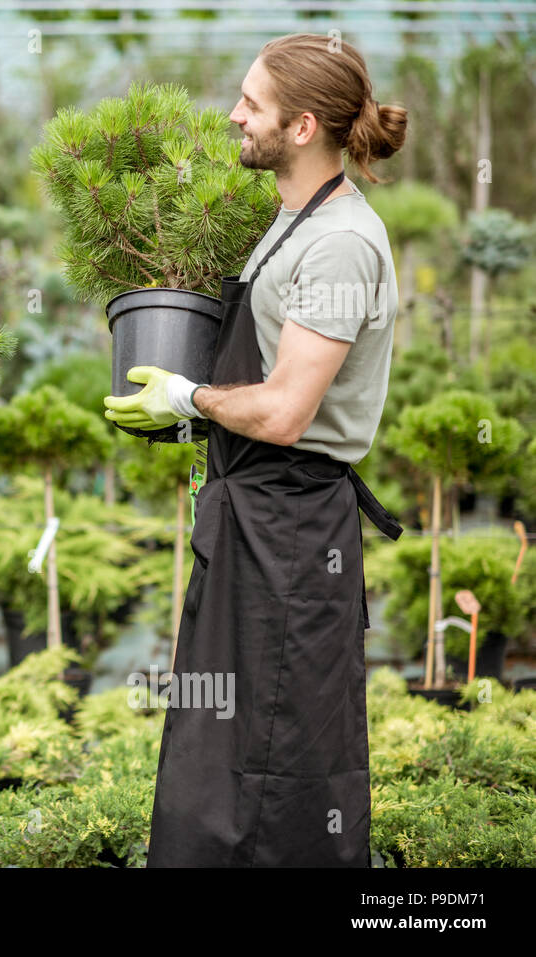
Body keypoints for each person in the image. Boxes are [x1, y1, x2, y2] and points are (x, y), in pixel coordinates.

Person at [104, 33, 408, 866]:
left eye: (252, 102)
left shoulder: (341, 242)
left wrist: (189, 396)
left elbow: (283, 411)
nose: (234, 114)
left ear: (304, 126)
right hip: (253, 518)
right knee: (221, 747)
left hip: (293, 532)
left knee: (284, 760)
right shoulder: (291, 220)